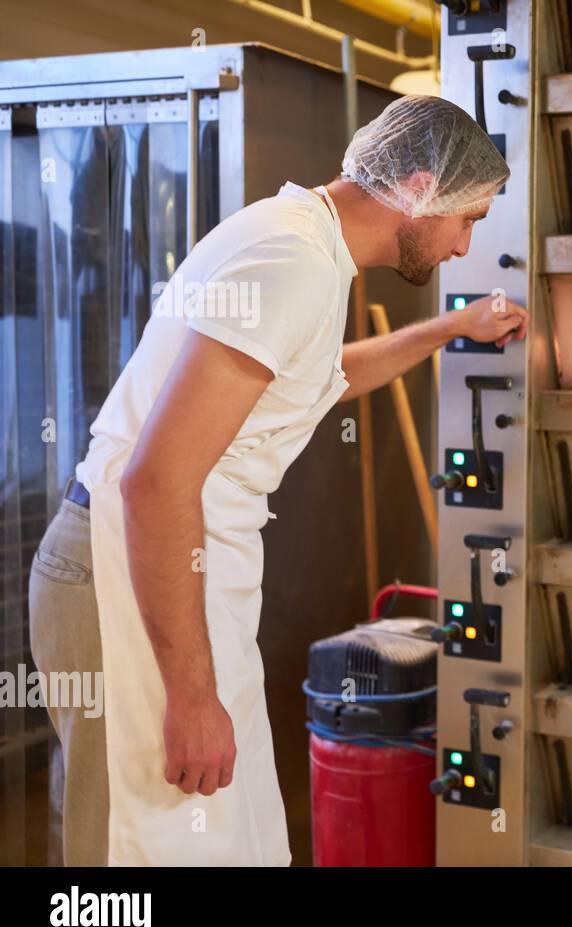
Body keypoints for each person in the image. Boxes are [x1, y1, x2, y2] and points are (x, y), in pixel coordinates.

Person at [27, 95, 528, 866]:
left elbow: (317, 377)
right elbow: (155, 483)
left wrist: (450, 329)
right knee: (137, 849)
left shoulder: (308, 246)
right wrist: (193, 698)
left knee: (219, 837)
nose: (465, 246)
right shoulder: (289, 261)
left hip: (168, 575)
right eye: (467, 219)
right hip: (120, 579)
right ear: (421, 187)